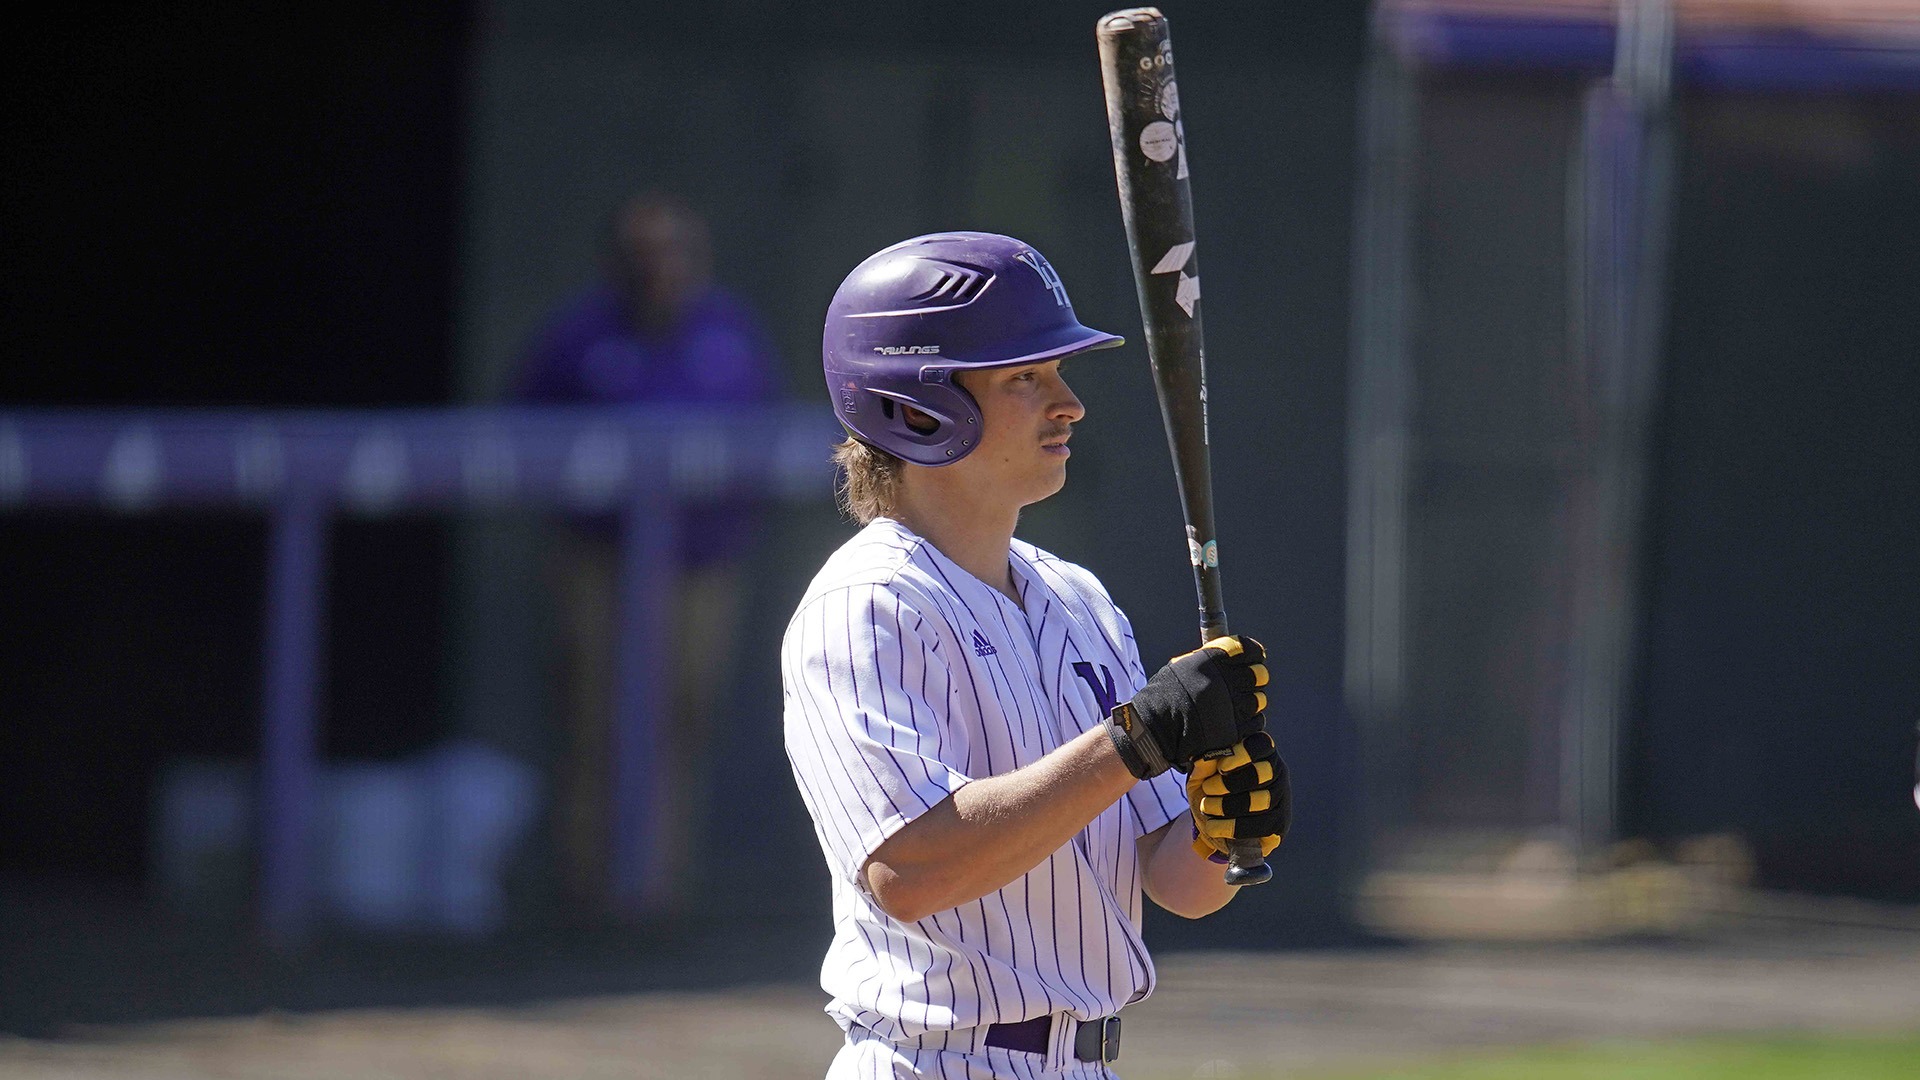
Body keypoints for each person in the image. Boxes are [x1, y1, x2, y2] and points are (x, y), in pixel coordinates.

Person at [782, 232, 1291, 1079]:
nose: (1069, 404)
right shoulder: (868, 604)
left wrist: (1221, 828)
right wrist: (1135, 740)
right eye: (1025, 376)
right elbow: (908, 872)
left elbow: (1172, 883)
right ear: (917, 406)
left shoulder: (1076, 597)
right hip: (936, 1061)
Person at [513, 192, 777, 913]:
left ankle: (658, 891)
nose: (659, 268)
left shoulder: (728, 333)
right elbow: (517, 437)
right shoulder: (579, 335)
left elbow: (767, 440)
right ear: (615, 263)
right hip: (598, 562)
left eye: (673, 252)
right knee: (595, 718)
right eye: (643, 254)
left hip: (699, 565)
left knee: (681, 718)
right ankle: (588, 891)